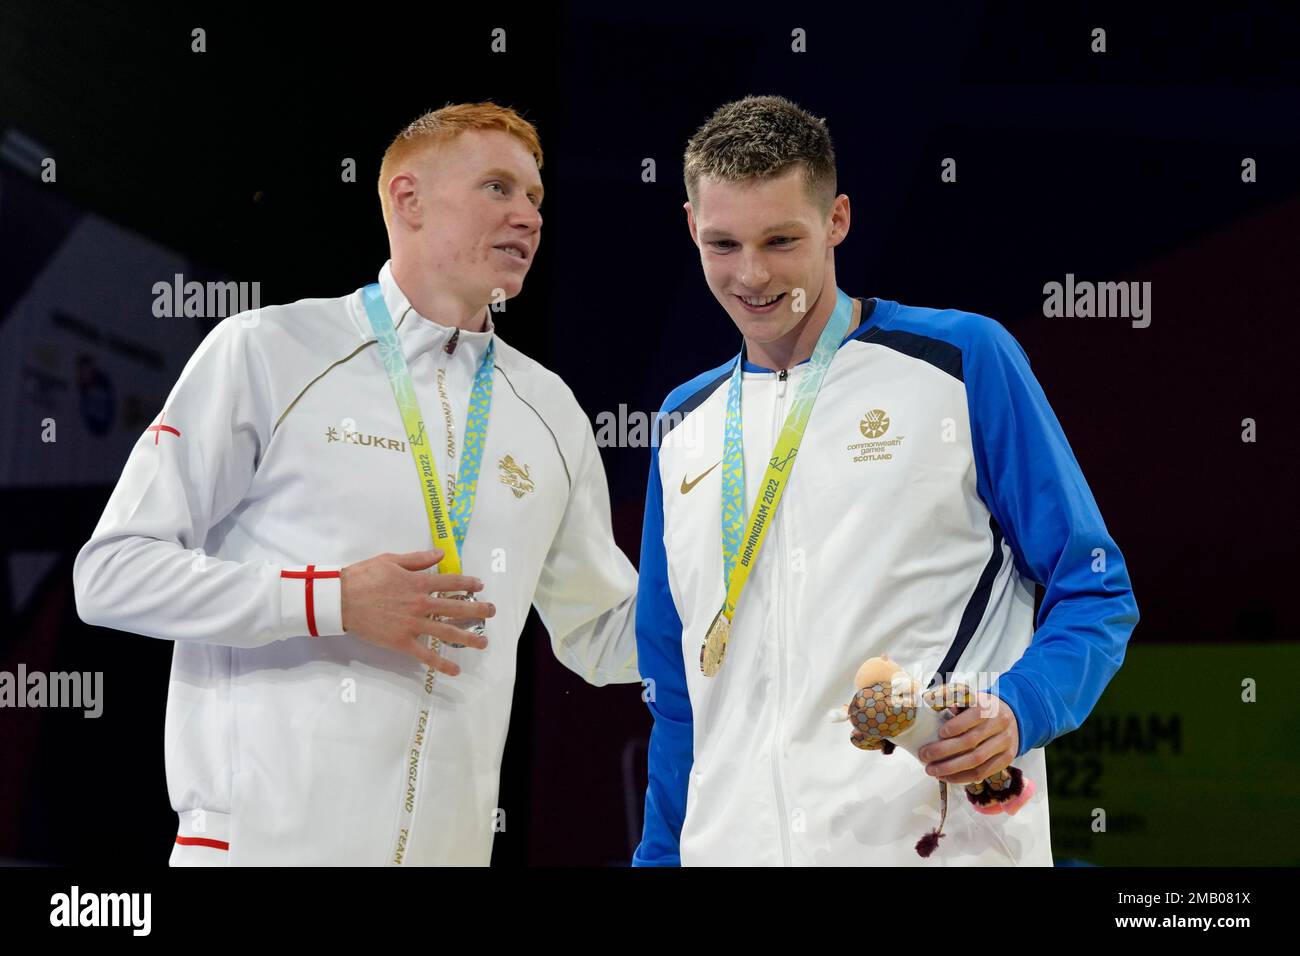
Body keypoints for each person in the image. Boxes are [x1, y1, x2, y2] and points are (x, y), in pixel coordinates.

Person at [73, 102, 639, 866]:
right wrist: (331, 600)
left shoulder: (550, 412)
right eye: (499, 189)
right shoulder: (270, 352)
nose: (528, 218)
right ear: (407, 200)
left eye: (536, 199)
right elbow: (110, 576)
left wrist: (762, 615)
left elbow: (602, 632)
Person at [633, 95, 1139, 866]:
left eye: (781, 239)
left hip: (931, 844)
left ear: (837, 220)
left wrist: (1020, 707)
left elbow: (1096, 588)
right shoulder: (681, 423)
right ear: (690, 228)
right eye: (723, 243)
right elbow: (676, 691)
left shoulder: (962, 361)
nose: (752, 274)